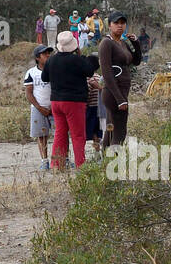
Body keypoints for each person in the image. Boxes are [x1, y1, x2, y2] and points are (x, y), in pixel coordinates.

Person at [41, 30, 98, 169]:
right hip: (74, 102)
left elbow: (44, 78)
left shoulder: (52, 60)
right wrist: (83, 56)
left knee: (60, 133)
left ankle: (56, 164)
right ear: (74, 46)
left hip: (56, 101)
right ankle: (80, 165)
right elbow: (90, 70)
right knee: (78, 135)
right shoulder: (77, 60)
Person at [97, 11, 141, 150]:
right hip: (112, 92)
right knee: (120, 130)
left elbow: (136, 61)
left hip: (122, 90)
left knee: (111, 129)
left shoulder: (122, 42)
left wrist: (136, 43)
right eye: (116, 23)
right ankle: (114, 162)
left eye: (122, 23)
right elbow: (107, 73)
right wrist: (119, 99)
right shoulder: (106, 43)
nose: (120, 26)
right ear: (109, 25)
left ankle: (104, 160)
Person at [23, 44, 54, 172]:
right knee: (41, 136)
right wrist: (39, 107)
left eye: (48, 53)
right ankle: (44, 161)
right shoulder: (31, 73)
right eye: (44, 54)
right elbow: (29, 93)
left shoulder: (54, 69)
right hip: (38, 108)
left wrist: (53, 105)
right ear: (37, 57)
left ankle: (64, 159)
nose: (47, 55)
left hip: (54, 106)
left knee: (60, 133)